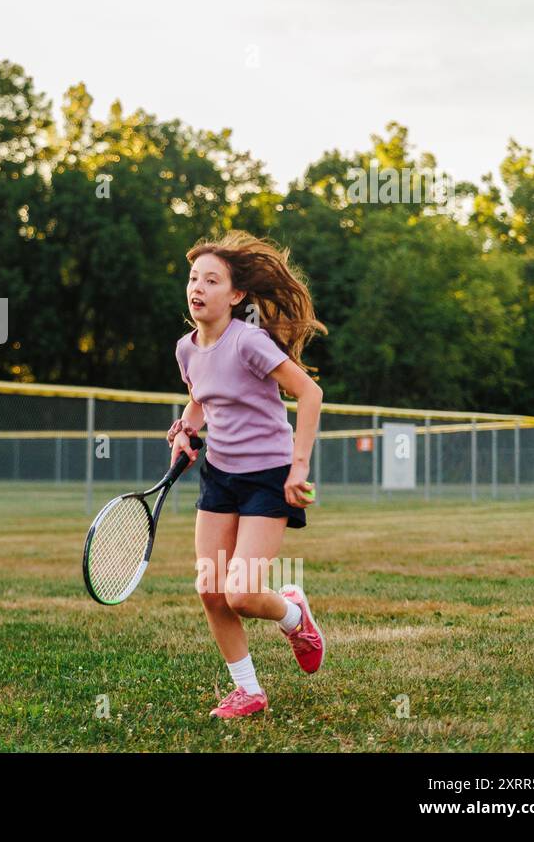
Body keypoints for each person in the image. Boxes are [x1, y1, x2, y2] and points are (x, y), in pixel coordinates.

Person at [167, 231, 328, 719]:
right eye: (194, 278)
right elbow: (201, 397)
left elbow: (309, 393)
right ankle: (249, 691)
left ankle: (295, 616)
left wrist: (298, 467)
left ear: (235, 296)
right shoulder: (186, 349)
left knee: (241, 592)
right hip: (220, 475)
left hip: (267, 476)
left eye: (211, 280)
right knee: (211, 590)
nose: (198, 288)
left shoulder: (250, 341)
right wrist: (184, 429)